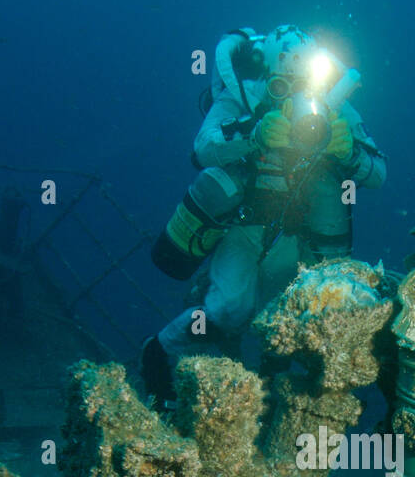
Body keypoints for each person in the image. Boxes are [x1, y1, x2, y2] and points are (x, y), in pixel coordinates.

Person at [141, 24, 387, 406]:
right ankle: (159, 350)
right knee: (226, 310)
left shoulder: (336, 104)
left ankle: (268, 388)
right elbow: (203, 148)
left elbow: (379, 174)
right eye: (280, 85)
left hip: (300, 228)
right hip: (244, 221)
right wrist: (252, 132)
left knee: (282, 319)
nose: (292, 95)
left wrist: (347, 150)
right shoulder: (245, 94)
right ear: (267, 75)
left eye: (301, 84)